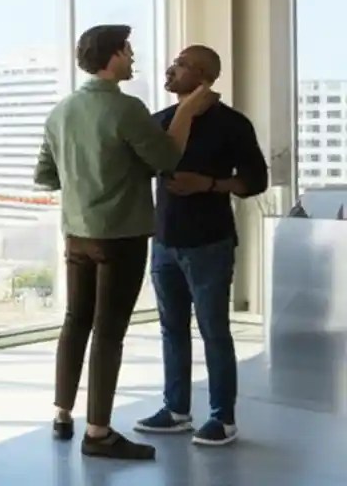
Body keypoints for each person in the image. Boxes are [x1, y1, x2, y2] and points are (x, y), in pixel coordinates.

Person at [34, 24, 215, 461]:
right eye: (129, 52)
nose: (133, 59)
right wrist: (187, 112)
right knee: (109, 332)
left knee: (76, 321)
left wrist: (87, 174)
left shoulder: (61, 111)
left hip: (77, 234)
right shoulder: (127, 108)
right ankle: (98, 432)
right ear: (112, 56)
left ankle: (62, 414)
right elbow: (167, 159)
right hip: (121, 236)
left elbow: (45, 176)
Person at [133, 46, 268, 446]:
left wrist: (209, 184)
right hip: (164, 244)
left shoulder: (233, 125)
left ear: (204, 74)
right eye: (173, 63)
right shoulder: (160, 122)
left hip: (210, 243)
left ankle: (222, 418)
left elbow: (254, 181)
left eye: (180, 65)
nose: (170, 69)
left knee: (214, 331)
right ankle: (176, 411)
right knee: (171, 330)